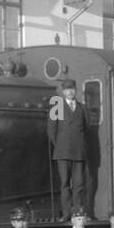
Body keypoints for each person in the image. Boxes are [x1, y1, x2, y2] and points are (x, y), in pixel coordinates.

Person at [47, 79, 89, 218]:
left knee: (79, 185)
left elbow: (86, 129)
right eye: (67, 89)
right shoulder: (56, 107)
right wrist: (60, 145)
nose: (70, 92)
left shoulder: (83, 108)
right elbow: (51, 130)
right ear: (63, 91)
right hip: (63, 152)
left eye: (72, 89)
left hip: (79, 152)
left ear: (75, 90)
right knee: (64, 184)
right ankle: (66, 213)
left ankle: (77, 213)